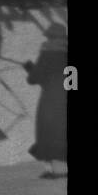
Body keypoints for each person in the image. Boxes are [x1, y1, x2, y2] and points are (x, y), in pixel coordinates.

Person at [24, 23, 68, 178]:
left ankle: (52, 171)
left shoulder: (47, 52)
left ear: (49, 36)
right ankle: (62, 170)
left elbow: (34, 78)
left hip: (49, 101)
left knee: (47, 134)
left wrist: (29, 67)